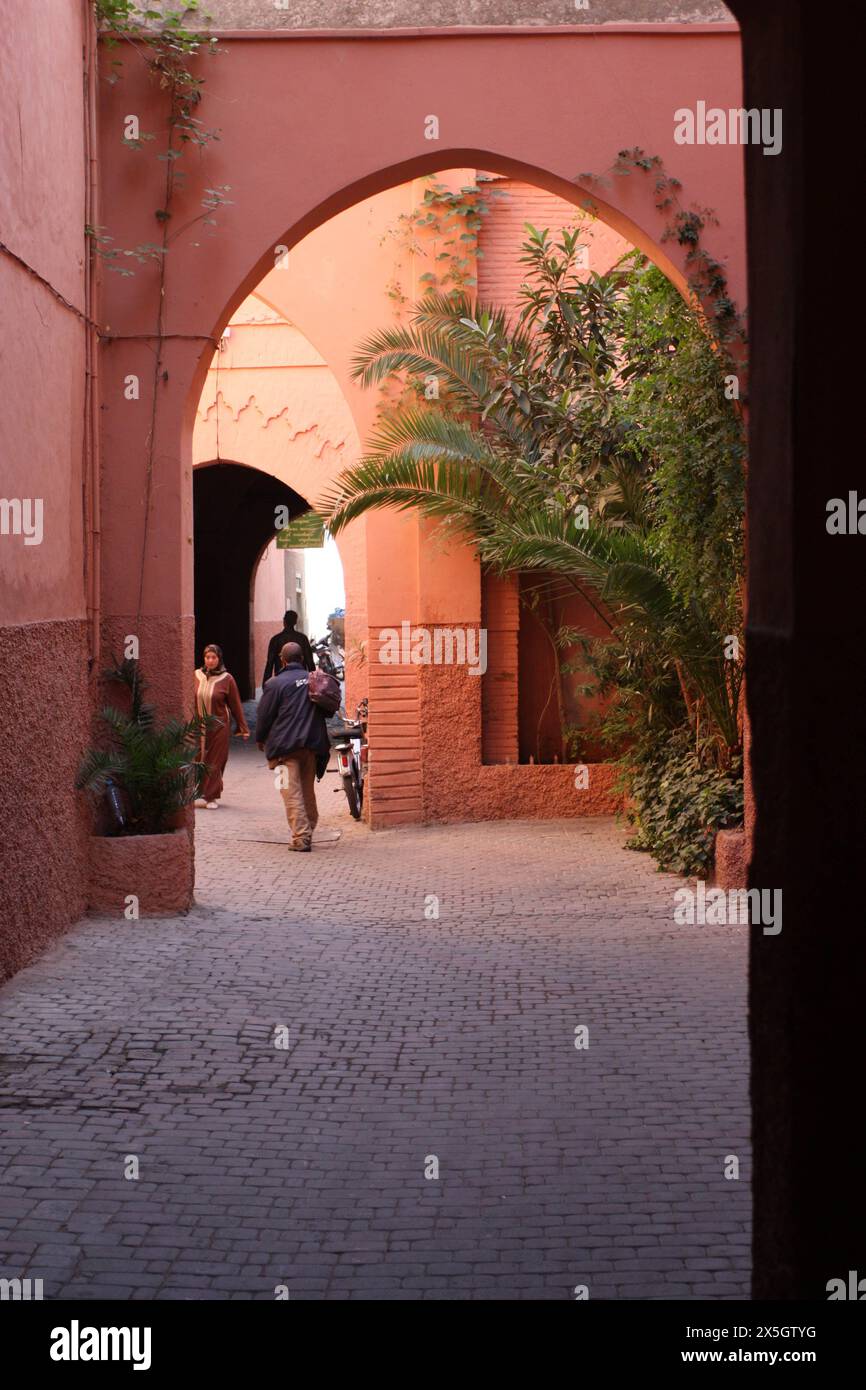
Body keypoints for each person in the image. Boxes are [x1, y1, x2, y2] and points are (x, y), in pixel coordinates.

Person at [256, 641, 330, 852]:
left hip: (283, 749)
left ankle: (301, 837)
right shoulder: (313, 680)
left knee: (290, 792)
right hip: (312, 747)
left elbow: (264, 715)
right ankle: (308, 829)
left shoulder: (275, 684)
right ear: (303, 658)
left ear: (283, 660)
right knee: (307, 791)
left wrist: (260, 739)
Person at [194, 644, 249, 808]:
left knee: (215, 761)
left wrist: (243, 728)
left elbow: (235, 705)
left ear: (219, 659)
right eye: (207, 657)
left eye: (213, 657)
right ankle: (200, 791)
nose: (210, 661)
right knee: (198, 758)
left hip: (219, 727)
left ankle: (211, 796)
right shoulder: (196, 676)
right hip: (198, 727)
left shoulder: (227, 679)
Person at [262, 610, 314, 684]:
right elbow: (310, 662)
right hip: (300, 682)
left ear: (284, 621)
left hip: (281, 681)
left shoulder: (275, 639)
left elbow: (269, 664)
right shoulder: (303, 638)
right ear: (295, 622)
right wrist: (313, 681)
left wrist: (266, 684)